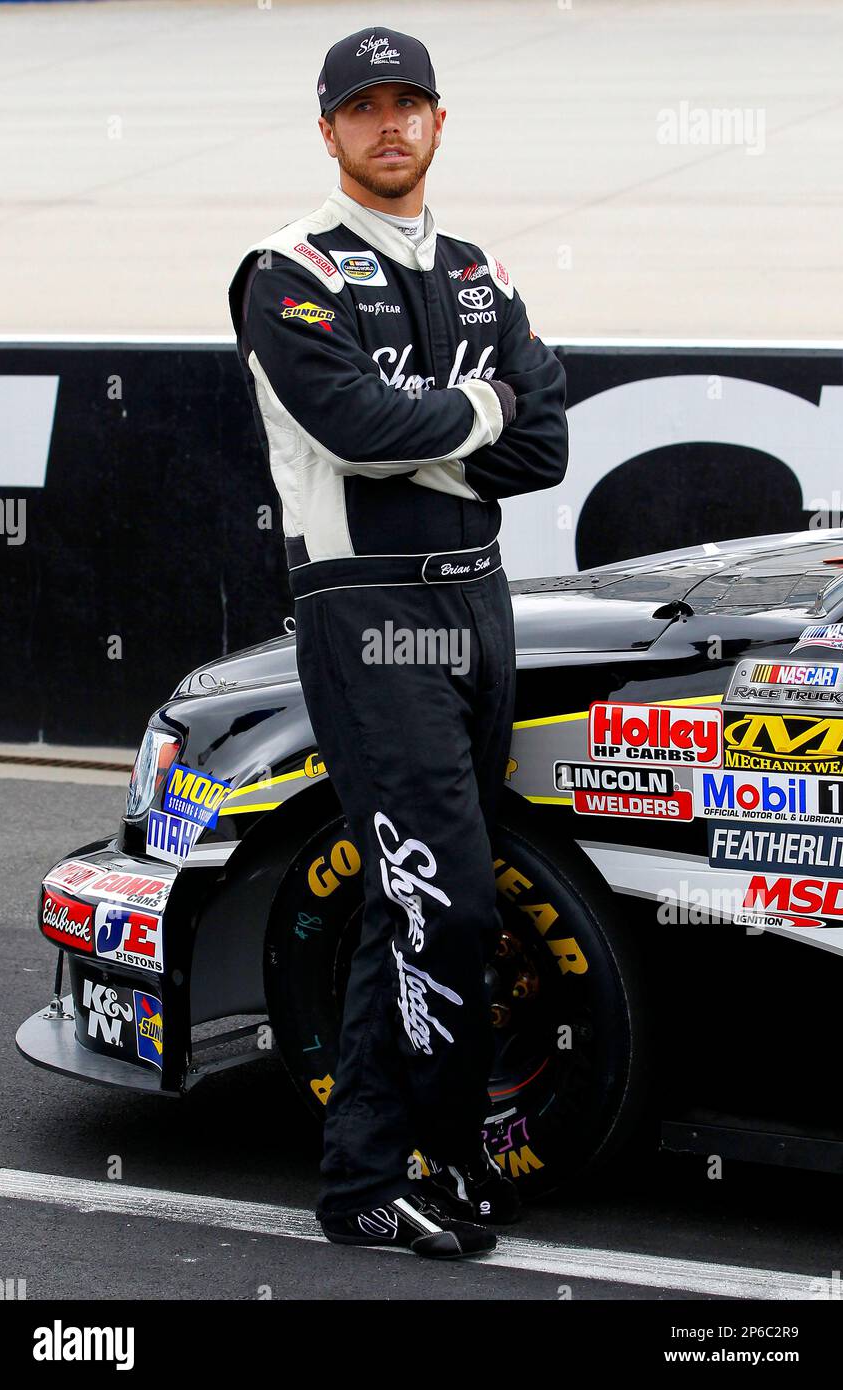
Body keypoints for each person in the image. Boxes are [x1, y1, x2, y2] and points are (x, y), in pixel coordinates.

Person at [228, 26, 568, 1260]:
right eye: (360, 106)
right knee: (452, 905)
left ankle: (368, 1173)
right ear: (326, 129)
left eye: (406, 103)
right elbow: (361, 428)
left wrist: (453, 420)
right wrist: (478, 403)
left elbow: (547, 451)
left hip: (479, 598)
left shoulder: (478, 270)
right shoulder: (285, 267)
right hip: (367, 609)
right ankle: (444, 1153)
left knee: (412, 894)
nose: (387, 125)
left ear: (438, 121)